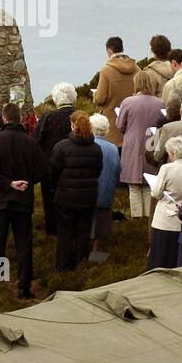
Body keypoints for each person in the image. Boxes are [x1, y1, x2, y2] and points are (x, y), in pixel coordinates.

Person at [0, 103, 44, 293]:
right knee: (23, 242)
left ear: (4, 118)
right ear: (20, 118)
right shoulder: (30, 142)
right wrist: (26, 182)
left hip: (0, 198)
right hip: (23, 198)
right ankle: (25, 282)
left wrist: (8, 183)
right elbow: (41, 171)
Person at [48, 111, 103, 271]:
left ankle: (64, 266)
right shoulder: (96, 149)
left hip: (65, 196)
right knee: (83, 231)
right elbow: (98, 171)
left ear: (72, 125)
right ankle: (80, 262)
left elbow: (52, 171)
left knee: (65, 232)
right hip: (88, 196)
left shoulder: (62, 147)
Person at [117, 71, 165, 220]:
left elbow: (120, 125)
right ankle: (148, 219)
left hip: (132, 144)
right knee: (148, 184)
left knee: (134, 186)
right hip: (152, 144)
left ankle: (136, 219)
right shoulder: (160, 103)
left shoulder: (128, 102)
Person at [147, 136, 182, 270]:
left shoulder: (166, 168)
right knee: (176, 257)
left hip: (164, 219)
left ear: (173, 153)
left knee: (161, 257)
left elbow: (156, 193)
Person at [34, 83, 76, 235]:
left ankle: (53, 229)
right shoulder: (80, 116)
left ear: (56, 99)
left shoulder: (47, 117)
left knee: (51, 199)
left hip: (51, 166)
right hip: (76, 165)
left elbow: (36, 140)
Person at [92, 37, 138, 146]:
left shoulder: (106, 71)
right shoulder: (136, 69)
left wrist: (95, 94)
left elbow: (100, 99)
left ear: (109, 51)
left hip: (112, 125)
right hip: (131, 123)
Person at [89, 114, 121, 254]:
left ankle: (87, 246)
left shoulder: (88, 146)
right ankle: (97, 247)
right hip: (106, 191)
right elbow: (118, 169)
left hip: (88, 190)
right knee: (102, 217)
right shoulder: (113, 148)